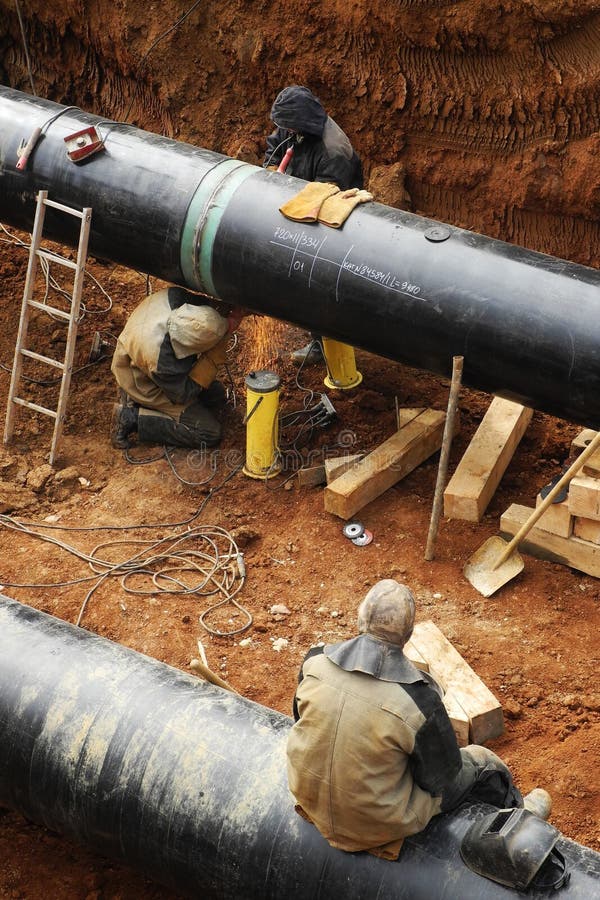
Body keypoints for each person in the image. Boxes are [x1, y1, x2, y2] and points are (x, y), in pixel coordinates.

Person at [287, 579, 551, 860]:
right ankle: (519, 824)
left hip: (308, 798)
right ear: (408, 635)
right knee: (484, 763)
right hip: (376, 826)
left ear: (360, 618)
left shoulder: (314, 661)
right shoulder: (419, 701)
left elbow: (298, 718)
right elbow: (441, 779)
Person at [263, 85, 363, 365]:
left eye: (287, 127)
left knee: (319, 280)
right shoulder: (293, 126)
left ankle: (325, 345)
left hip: (329, 218)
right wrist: (272, 174)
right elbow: (274, 148)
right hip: (300, 200)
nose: (283, 130)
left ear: (302, 121)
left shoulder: (334, 151)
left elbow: (326, 199)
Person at [110, 286, 244, 450]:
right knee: (209, 433)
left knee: (215, 395)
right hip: (140, 379)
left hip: (139, 350)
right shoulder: (164, 363)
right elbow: (183, 394)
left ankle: (137, 406)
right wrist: (211, 360)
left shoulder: (177, 298)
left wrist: (229, 318)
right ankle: (132, 418)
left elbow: (208, 312)